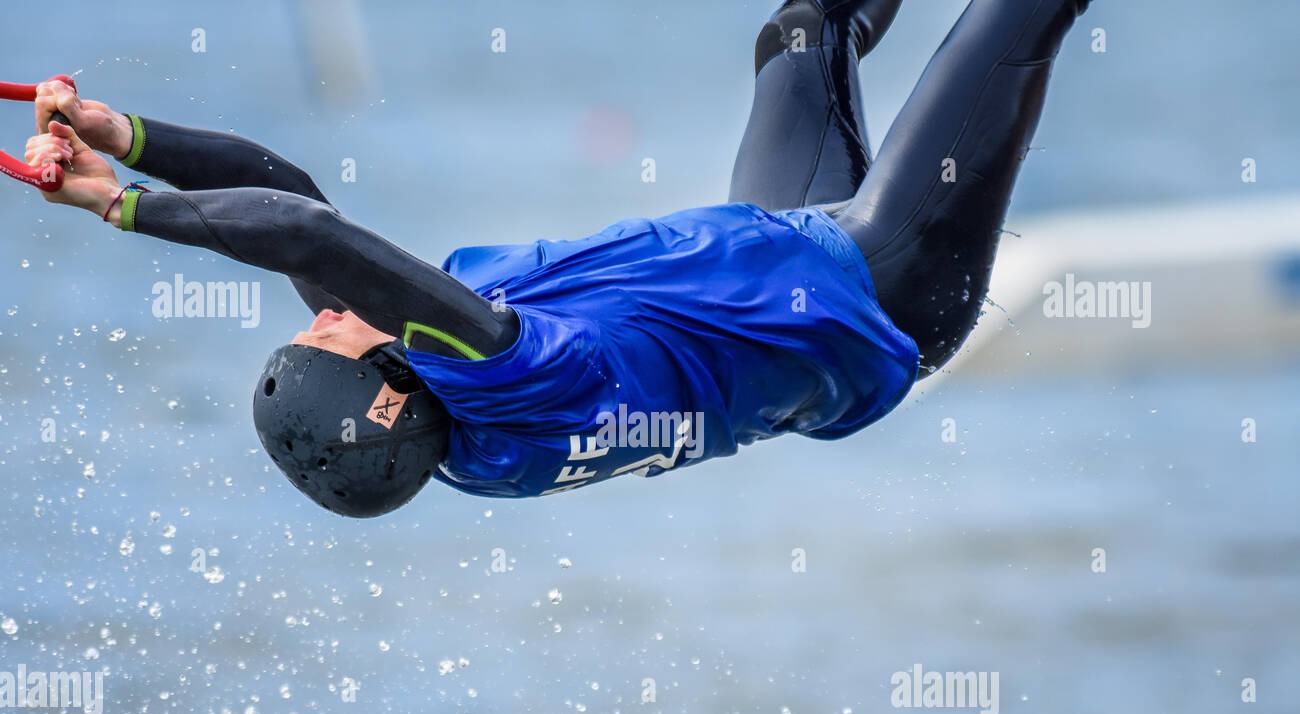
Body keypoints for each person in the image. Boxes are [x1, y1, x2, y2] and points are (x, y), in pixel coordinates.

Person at [23, 0, 1091, 517]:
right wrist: (119, 210)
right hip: (883, 290)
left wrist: (129, 140)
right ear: (396, 382)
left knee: (806, 33)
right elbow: (306, 236)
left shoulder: (443, 391)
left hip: (786, 250)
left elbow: (292, 194)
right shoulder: (506, 375)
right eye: (324, 330)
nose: (325, 310)